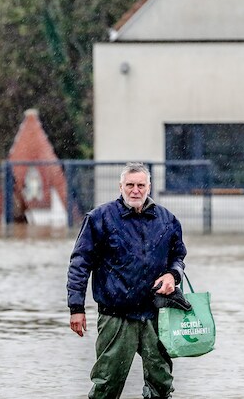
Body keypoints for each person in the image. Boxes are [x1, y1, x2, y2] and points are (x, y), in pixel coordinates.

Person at [68, 162, 187, 399]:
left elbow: (178, 256)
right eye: (130, 185)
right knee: (107, 386)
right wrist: (76, 308)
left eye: (140, 185)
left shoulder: (167, 220)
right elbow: (79, 264)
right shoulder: (100, 218)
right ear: (120, 186)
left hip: (155, 316)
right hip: (116, 317)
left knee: (161, 385)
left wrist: (172, 275)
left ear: (149, 187)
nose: (135, 190)